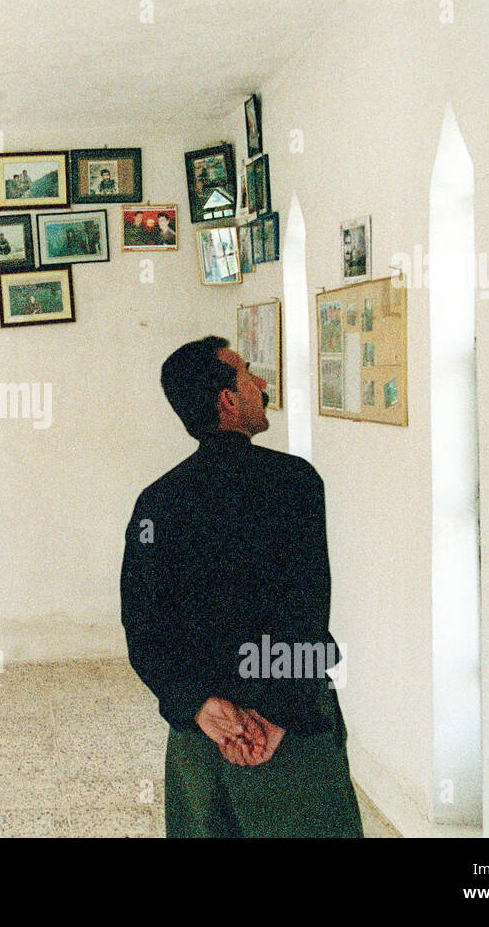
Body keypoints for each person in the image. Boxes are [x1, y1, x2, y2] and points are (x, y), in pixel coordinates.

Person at [121, 336, 362, 838]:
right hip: (292, 729)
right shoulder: (294, 482)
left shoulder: (156, 502)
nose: (262, 385)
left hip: (203, 740)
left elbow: (143, 625)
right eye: (249, 374)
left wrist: (198, 705)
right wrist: (276, 714)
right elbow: (306, 611)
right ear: (228, 401)